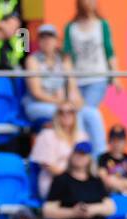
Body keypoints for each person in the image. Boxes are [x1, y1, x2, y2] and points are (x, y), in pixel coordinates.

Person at [22, 24, 105, 153]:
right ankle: (78, 154)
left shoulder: (64, 59)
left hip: (60, 103)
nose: (47, 41)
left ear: (56, 40)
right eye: (43, 38)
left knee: (92, 113)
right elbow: (36, 92)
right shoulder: (32, 60)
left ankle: (99, 158)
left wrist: (77, 102)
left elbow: (72, 87)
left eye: (50, 37)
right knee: (72, 115)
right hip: (38, 105)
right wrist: (61, 103)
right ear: (39, 41)